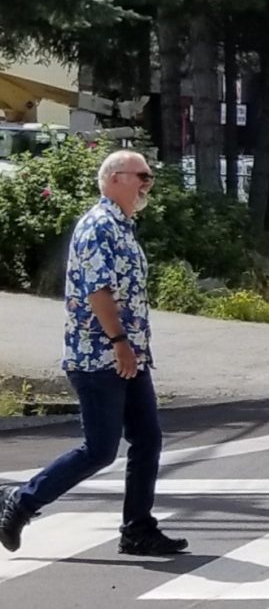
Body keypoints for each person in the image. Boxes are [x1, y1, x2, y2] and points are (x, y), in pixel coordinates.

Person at [0, 150, 189, 556]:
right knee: (100, 449)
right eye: (143, 176)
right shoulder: (99, 226)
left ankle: (138, 528)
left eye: (149, 177)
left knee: (147, 439)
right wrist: (119, 342)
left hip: (128, 355)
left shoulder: (124, 227)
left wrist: (131, 349)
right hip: (99, 356)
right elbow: (97, 291)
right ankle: (21, 502)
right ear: (115, 178)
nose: (147, 184)